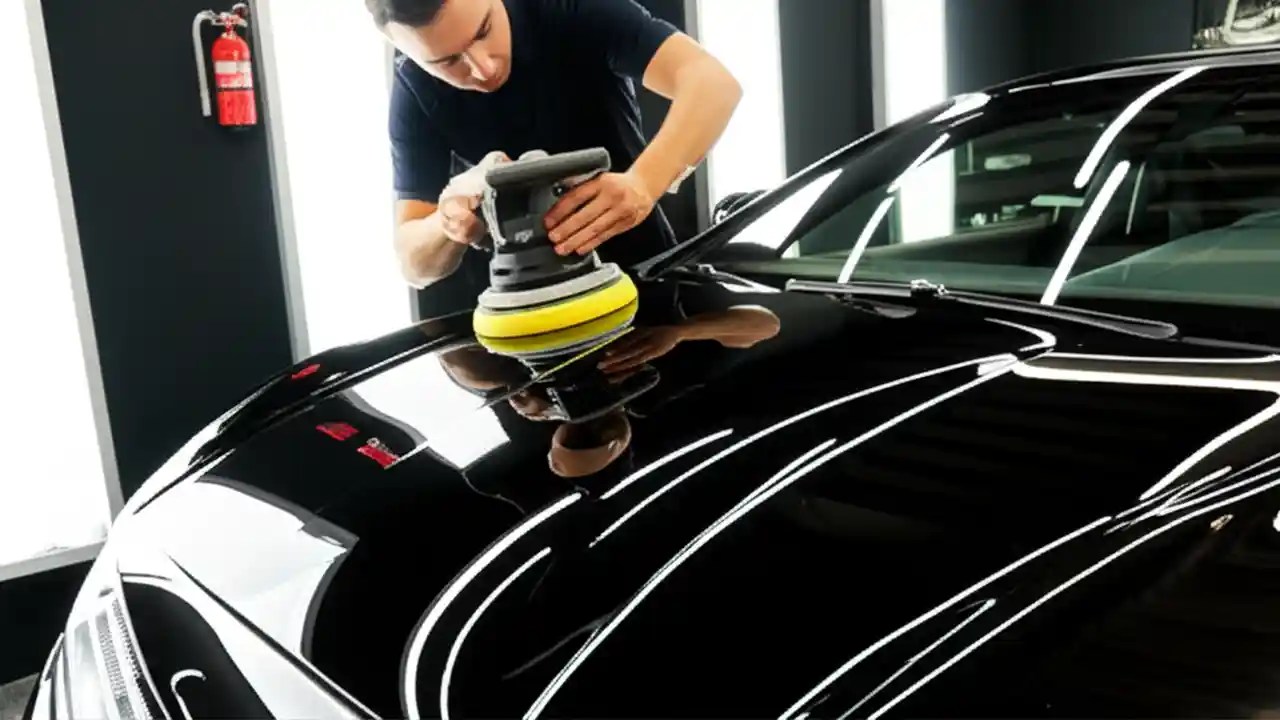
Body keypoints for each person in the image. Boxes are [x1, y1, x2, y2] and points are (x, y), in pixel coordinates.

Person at [364, 0, 743, 316]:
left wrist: (643, 184)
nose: (484, 68)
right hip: (518, 319)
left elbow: (712, 83)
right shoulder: (412, 89)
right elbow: (412, 262)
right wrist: (446, 224)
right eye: (447, 61)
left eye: (483, 30)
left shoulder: (568, 7)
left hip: (643, 286)